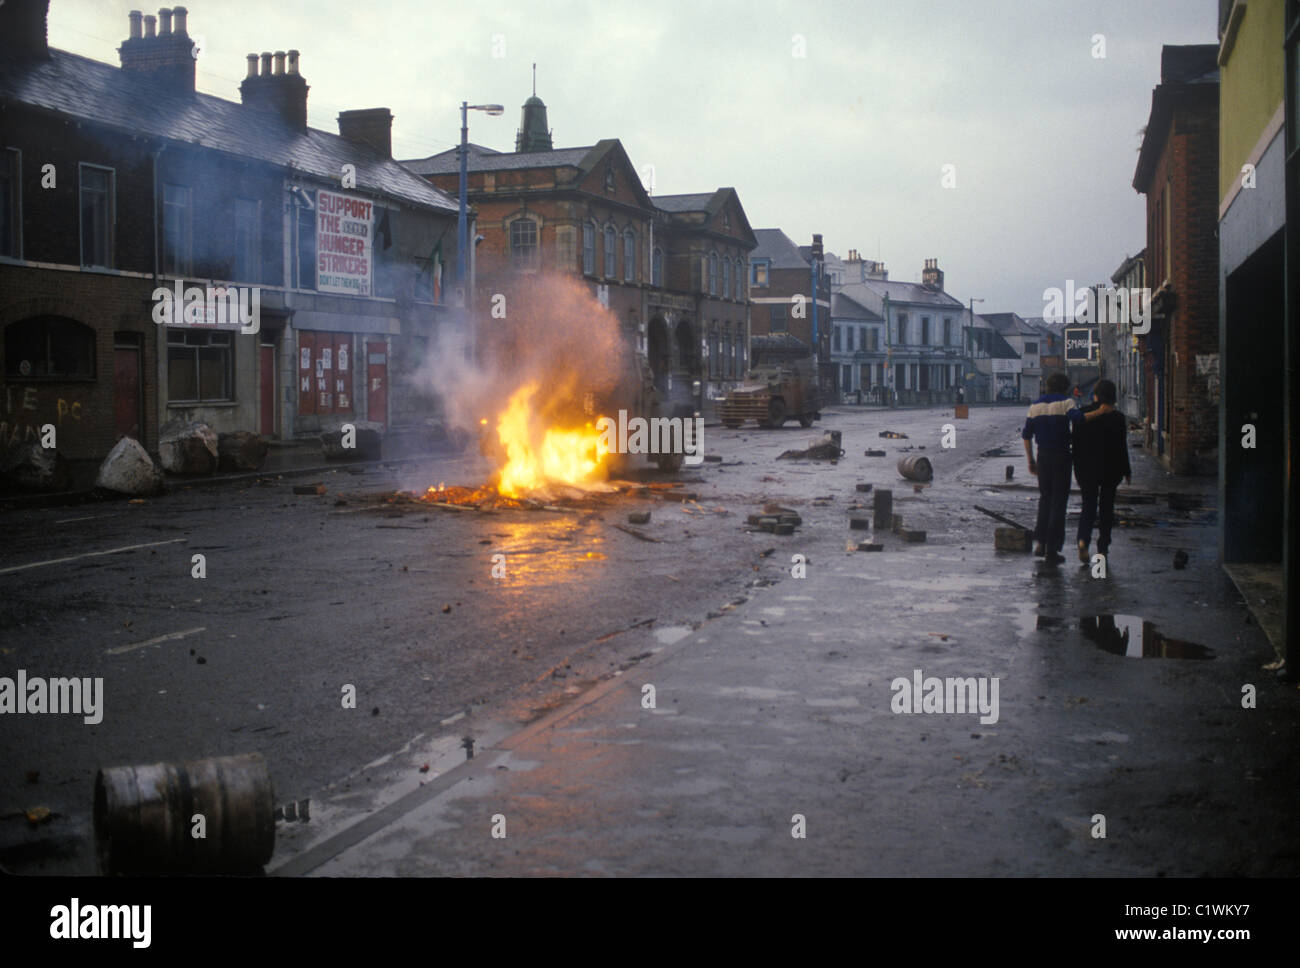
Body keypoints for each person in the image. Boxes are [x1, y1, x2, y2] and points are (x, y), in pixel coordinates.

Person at [1069, 379, 1131, 562]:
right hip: (1111, 470)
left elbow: (1075, 444)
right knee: (1106, 509)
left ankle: (1082, 540)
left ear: (1095, 395)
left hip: (1087, 469)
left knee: (1088, 506)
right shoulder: (1118, 418)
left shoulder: (1083, 414)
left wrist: (1077, 468)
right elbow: (1122, 447)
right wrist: (1126, 470)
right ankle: (1102, 548)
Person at [1022, 371, 1076, 564]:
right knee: (1059, 502)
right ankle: (1052, 550)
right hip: (1061, 456)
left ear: (1047, 386)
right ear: (1065, 387)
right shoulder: (1066, 403)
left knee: (1045, 499)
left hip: (1042, 456)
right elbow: (1079, 421)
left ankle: (1041, 543)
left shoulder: (1035, 406)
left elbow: (1026, 435)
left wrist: (1030, 461)